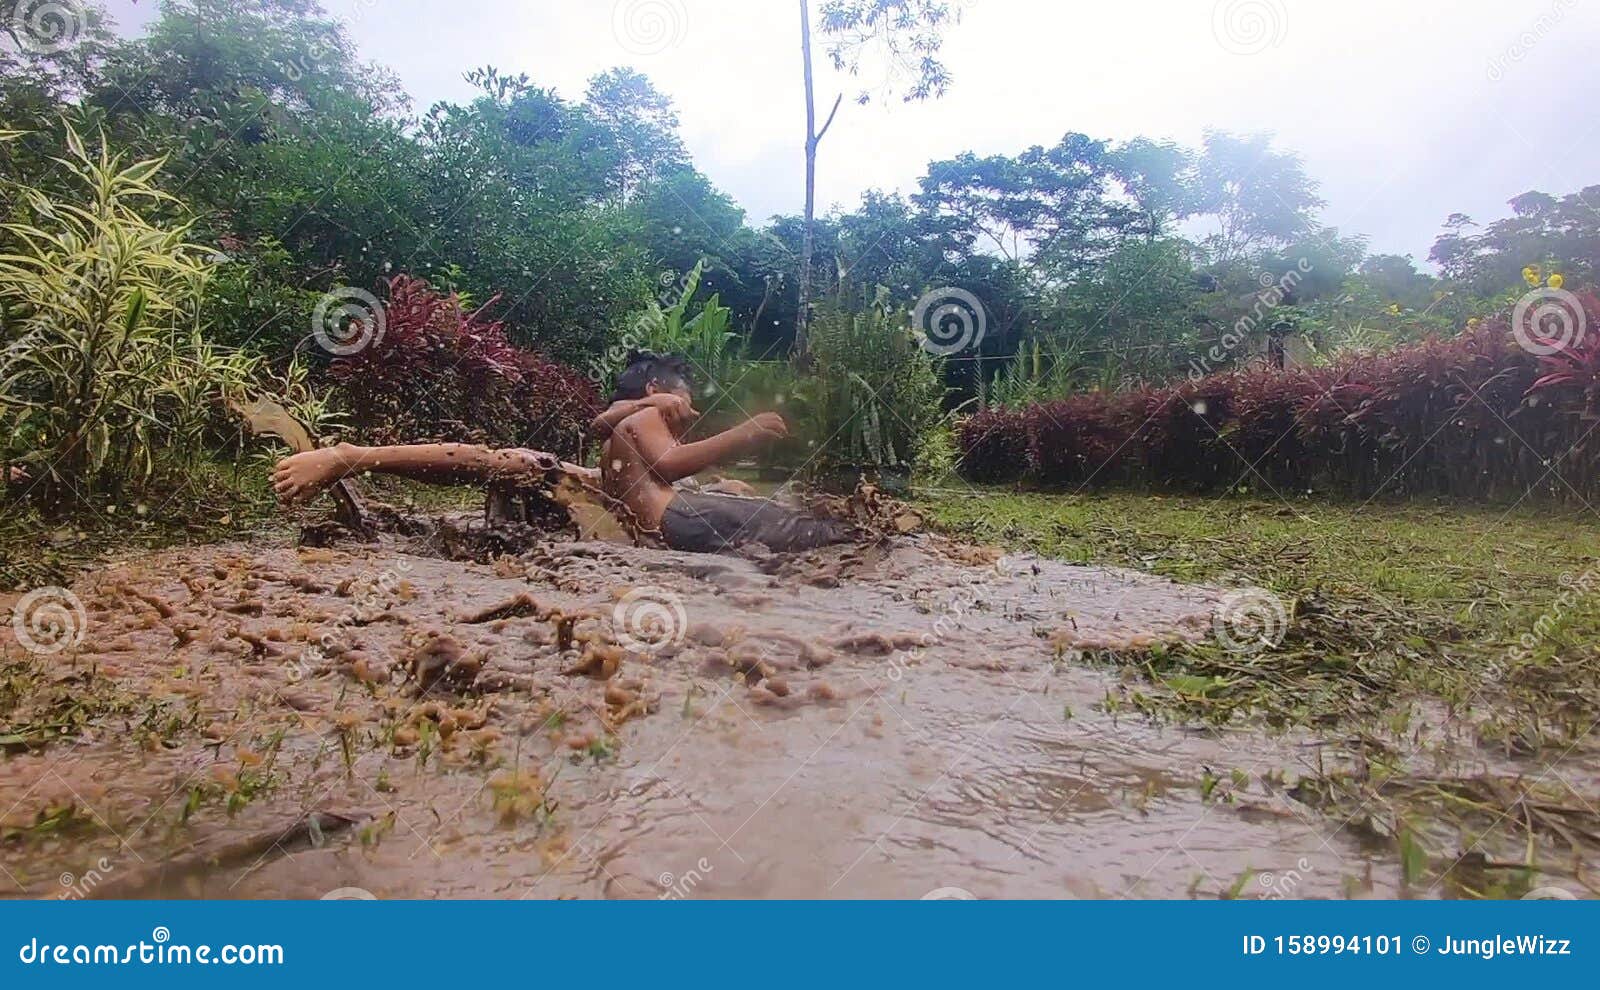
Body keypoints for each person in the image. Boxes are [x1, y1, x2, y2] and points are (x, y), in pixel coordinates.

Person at [601, 351, 853, 554]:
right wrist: (744, 433)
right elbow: (667, 464)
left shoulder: (614, 437)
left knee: (777, 525)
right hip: (676, 517)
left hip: (666, 526)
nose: (691, 411)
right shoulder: (649, 413)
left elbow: (649, 483)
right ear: (654, 390)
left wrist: (717, 488)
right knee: (800, 526)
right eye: (685, 399)